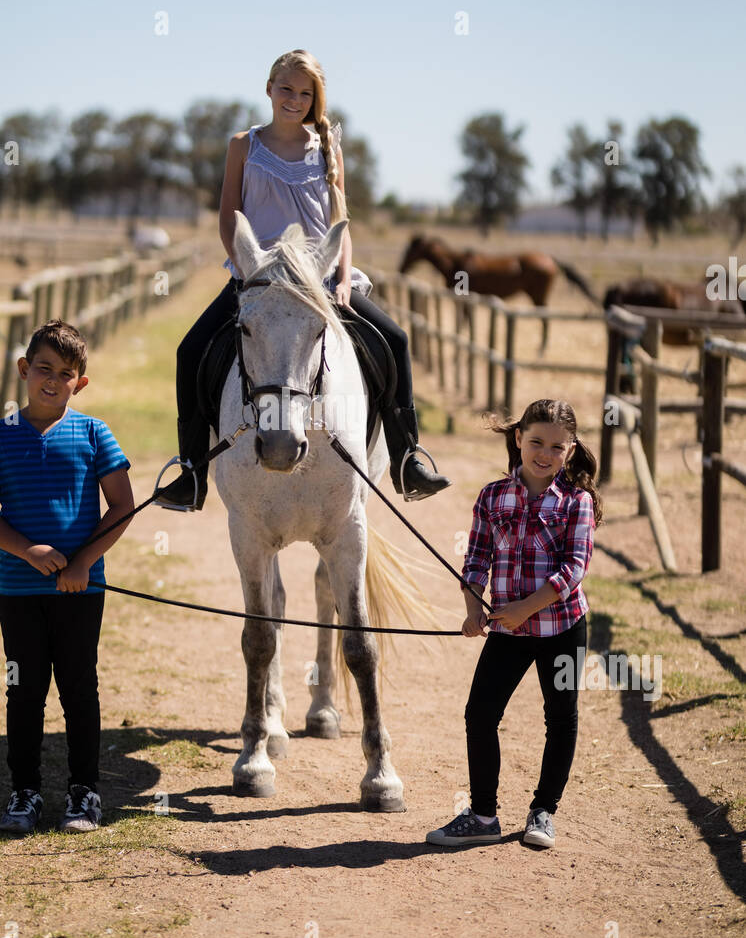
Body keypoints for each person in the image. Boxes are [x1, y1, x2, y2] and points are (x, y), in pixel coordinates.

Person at [155, 48, 451, 511]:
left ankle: (406, 459)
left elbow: (341, 221)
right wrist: (250, 269)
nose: (294, 99)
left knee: (393, 340)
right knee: (190, 350)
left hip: (319, 278)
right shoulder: (242, 145)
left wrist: (341, 281)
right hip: (257, 275)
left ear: (316, 98)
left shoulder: (328, 146)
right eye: (286, 89)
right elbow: (228, 219)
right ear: (269, 88)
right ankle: (192, 472)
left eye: (305, 93)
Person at [0, 320, 133, 835]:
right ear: (24, 370)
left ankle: (84, 791)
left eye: (66, 373)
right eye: (44, 368)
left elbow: (122, 506)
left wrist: (82, 564)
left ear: (79, 383)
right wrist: (27, 549)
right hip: (18, 591)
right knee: (24, 688)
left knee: (79, 687)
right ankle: (26, 791)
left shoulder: (94, 433)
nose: (53, 380)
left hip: (82, 591)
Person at [426, 398, 602, 851]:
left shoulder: (576, 502)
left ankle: (543, 811)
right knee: (480, 715)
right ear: (519, 438)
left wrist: (526, 607)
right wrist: (471, 608)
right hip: (508, 632)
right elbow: (476, 558)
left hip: (562, 627)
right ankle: (483, 814)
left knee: (561, 719)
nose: (545, 454)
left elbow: (573, 569)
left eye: (557, 447)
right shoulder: (492, 496)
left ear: (571, 449)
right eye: (537, 442)